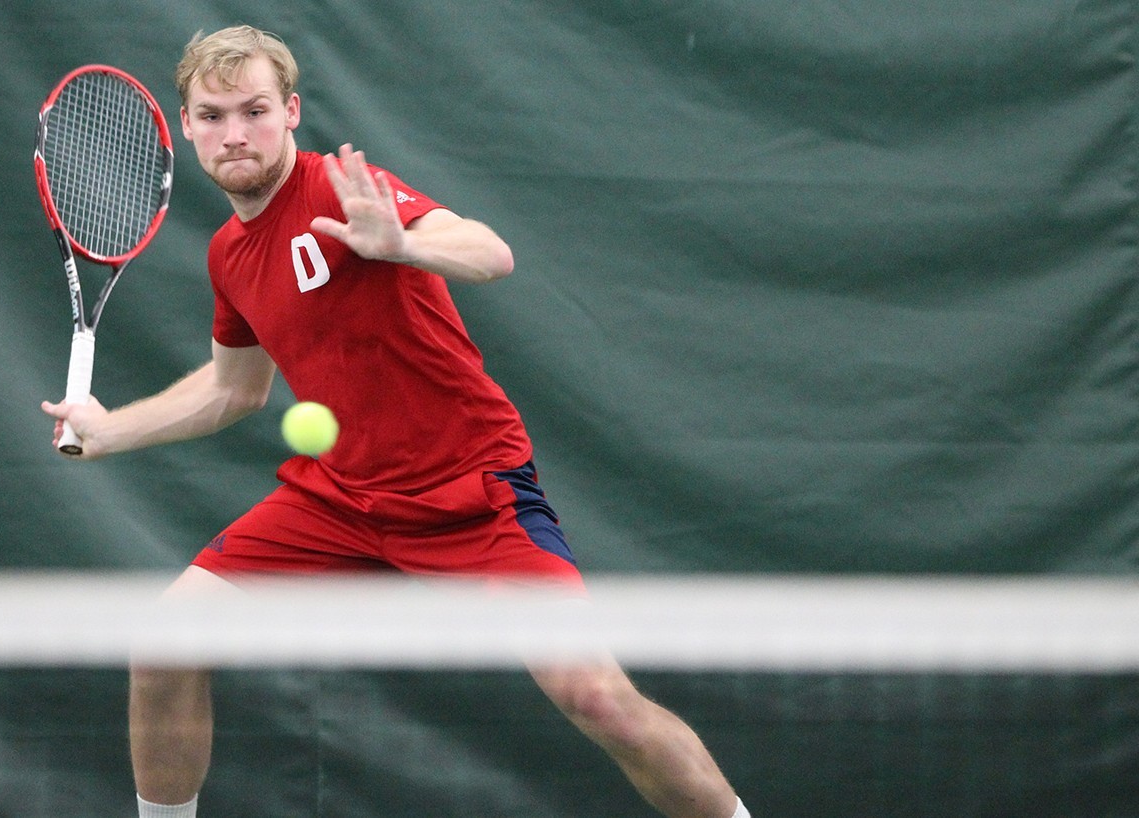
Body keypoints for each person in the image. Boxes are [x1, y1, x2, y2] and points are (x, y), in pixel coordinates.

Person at [41, 24, 751, 818]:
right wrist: (110, 430)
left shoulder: (340, 192)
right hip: (339, 501)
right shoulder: (228, 255)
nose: (234, 133)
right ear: (186, 126)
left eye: (255, 110)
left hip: (472, 492)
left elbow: (489, 251)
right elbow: (233, 390)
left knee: (599, 702)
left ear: (292, 112)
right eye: (212, 116)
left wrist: (402, 246)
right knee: (165, 646)